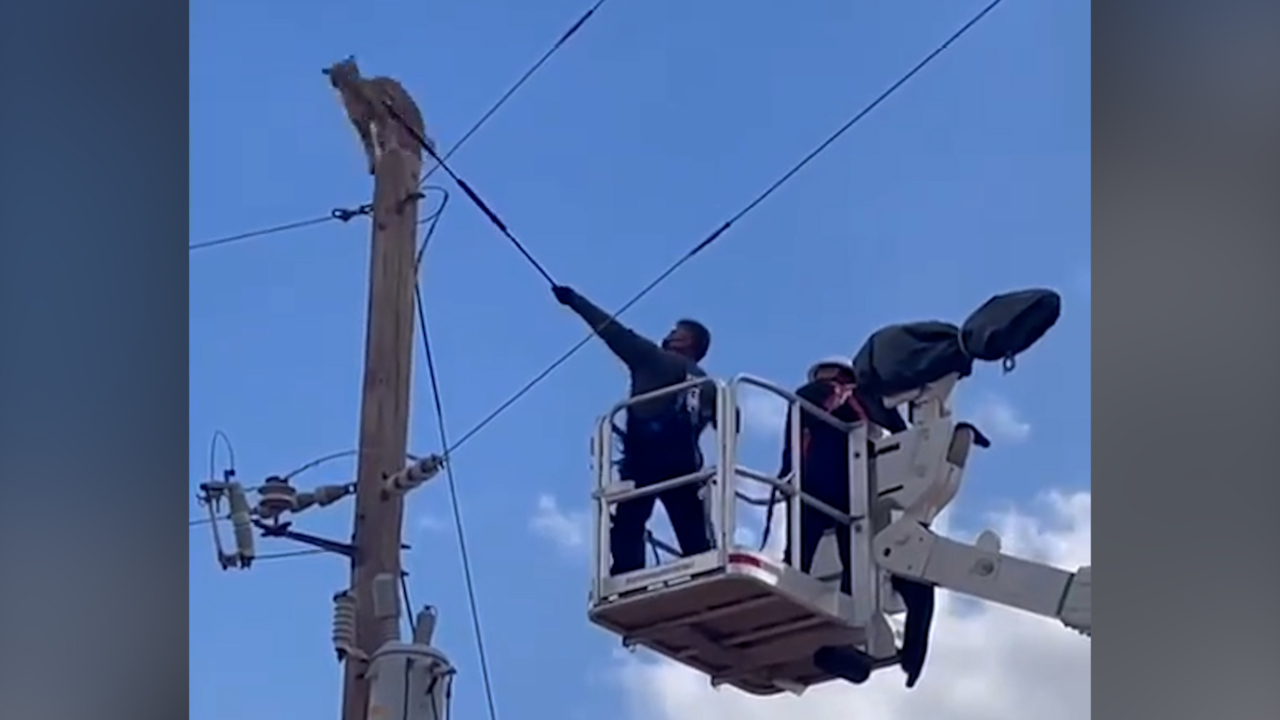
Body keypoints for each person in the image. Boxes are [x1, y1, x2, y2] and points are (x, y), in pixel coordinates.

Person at [552, 285, 716, 575]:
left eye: (676, 331)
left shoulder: (655, 359)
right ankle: (705, 569)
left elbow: (613, 332)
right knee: (692, 530)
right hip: (684, 464)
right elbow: (731, 420)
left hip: (646, 457)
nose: (669, 334)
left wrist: (574, 300)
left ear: (686, 341)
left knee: (629, 521)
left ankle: (627, 573)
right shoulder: (709, 385)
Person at [776, 358, 866, 593]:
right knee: (851, 552)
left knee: (799, 550)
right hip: (848, 484)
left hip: (815, 480)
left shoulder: (821, 393)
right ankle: (848, 594)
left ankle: (790, 590)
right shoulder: (860, 402)